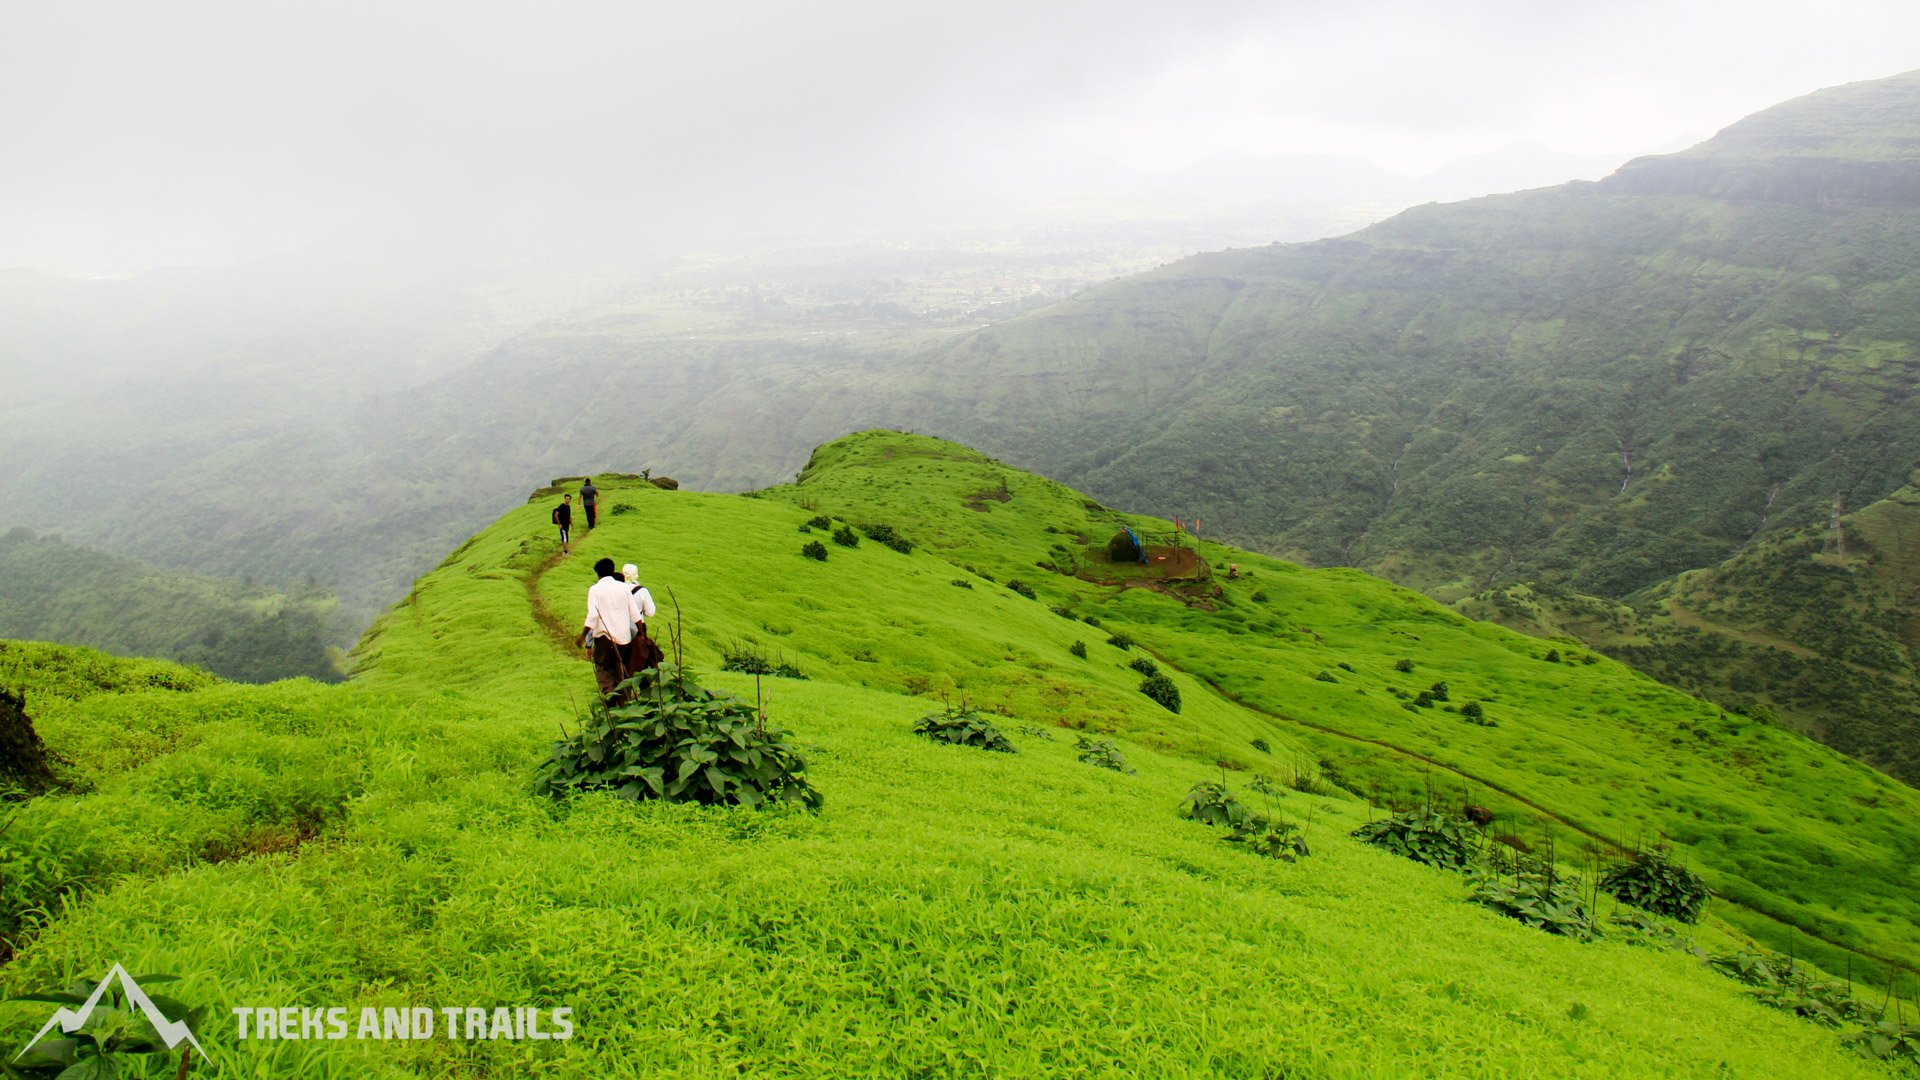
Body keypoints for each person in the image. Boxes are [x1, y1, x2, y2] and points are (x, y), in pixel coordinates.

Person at [581, 557, 643, 699]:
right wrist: (641, 633)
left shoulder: (595, 589)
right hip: (624, 637)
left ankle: (610, 695)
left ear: (598, 574)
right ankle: (623, 699)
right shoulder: (623, 588)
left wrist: (585, 640)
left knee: (602, 666)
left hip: (603, 637)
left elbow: (593, 615)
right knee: (619, 667)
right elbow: (635, 613)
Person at [621, 562, 663, 671]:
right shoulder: (642, 591)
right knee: (637, 658)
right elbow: (650, 612)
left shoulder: (618, 589)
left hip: (618, 626)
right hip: (637, 629)